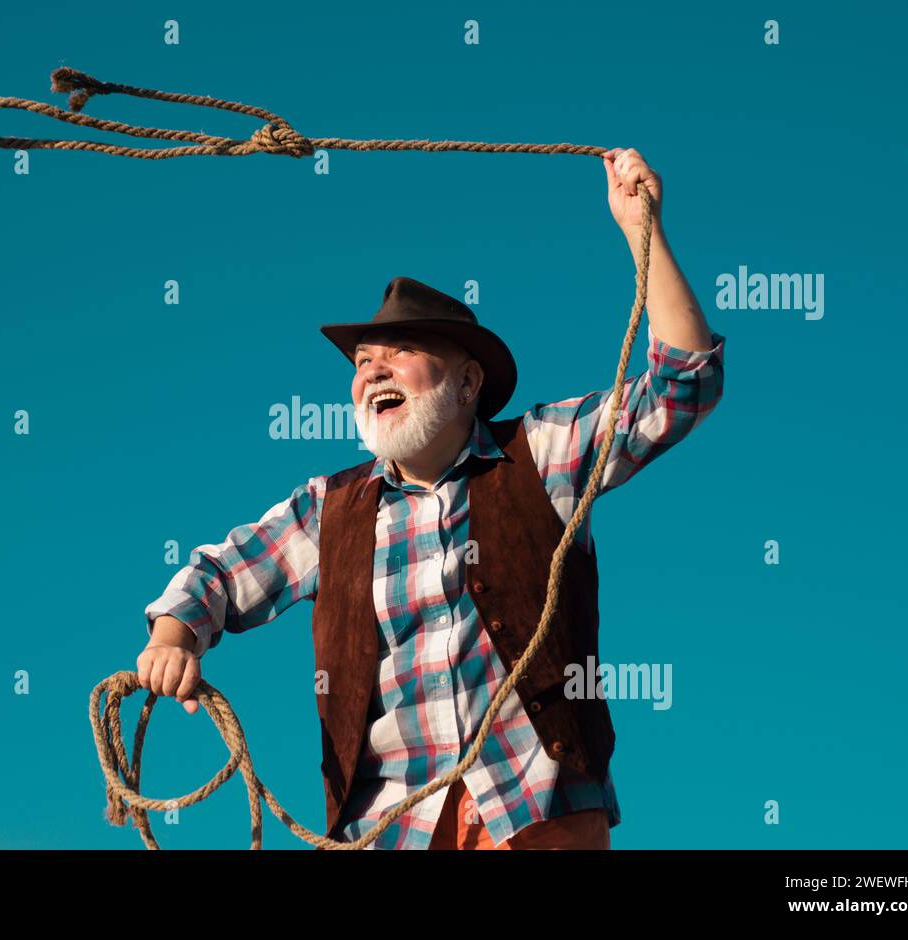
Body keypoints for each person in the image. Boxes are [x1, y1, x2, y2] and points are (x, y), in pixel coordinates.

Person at [138, 148, 726, 849]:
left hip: (535, 813)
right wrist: (173, 638)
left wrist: (642, 230)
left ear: (468, 381)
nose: (372, 371)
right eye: (362, 364)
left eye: (400, 352)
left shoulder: (538, 456)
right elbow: (219, 574)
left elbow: (681, 388)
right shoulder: (330, 511)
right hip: (388, 829)